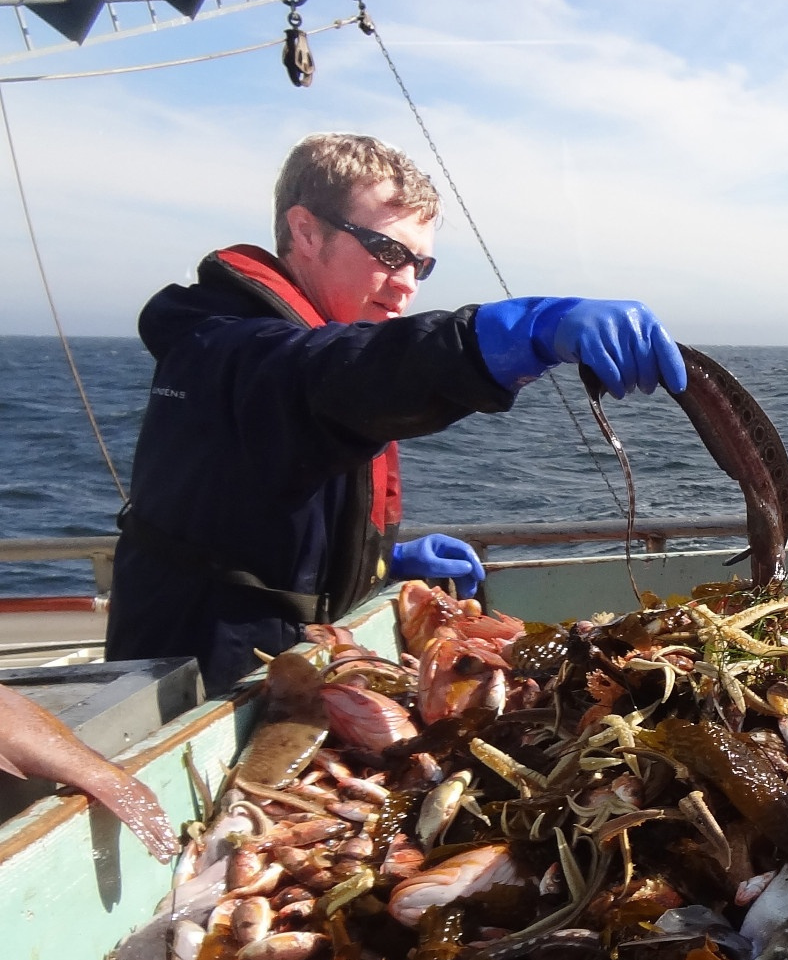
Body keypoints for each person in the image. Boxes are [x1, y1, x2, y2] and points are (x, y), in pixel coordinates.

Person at [106, 132, 689, 693]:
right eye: (389, 252)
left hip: (287, 661)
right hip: (207, 682)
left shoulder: (289, 343)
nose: (406, 285)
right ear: (305, 231)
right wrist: (522, 332)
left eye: (422, 265)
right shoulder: (229, 349)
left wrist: (381, 563)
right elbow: (346, 376)